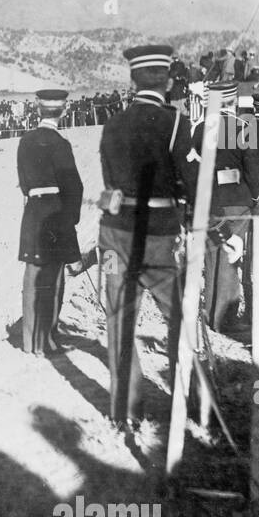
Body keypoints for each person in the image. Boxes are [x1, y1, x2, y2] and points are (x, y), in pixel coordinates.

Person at [98, 44, 196, 429]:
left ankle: (125, 407)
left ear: (133, 79)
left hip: (113, 234)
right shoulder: (175, 123)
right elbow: (189, 181)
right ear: (168, 80)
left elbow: (108, 181)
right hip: (157, 234)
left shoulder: (112, 124)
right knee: (177, 316)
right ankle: (188, 397)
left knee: (119, 316)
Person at [189, 82, 259, 333]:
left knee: (213, 256)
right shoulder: (242, 129)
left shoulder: (200, 130)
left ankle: (211, 314)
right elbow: (254, 171)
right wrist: (253, 198)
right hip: (237, 201)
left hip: (210, 200)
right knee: (233, 258)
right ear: (233, 102)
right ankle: (226, 320)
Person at [17, 90, 84, 357]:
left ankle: (30, 342)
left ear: (38, 109)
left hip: (33, 212)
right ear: (65, 111)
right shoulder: (60, 143)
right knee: (53, 280)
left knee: (33, 275)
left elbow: (23, 183)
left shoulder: (25, 141)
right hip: (56, 212)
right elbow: (74, 187)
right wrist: (71, 220)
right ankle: (48, 342)